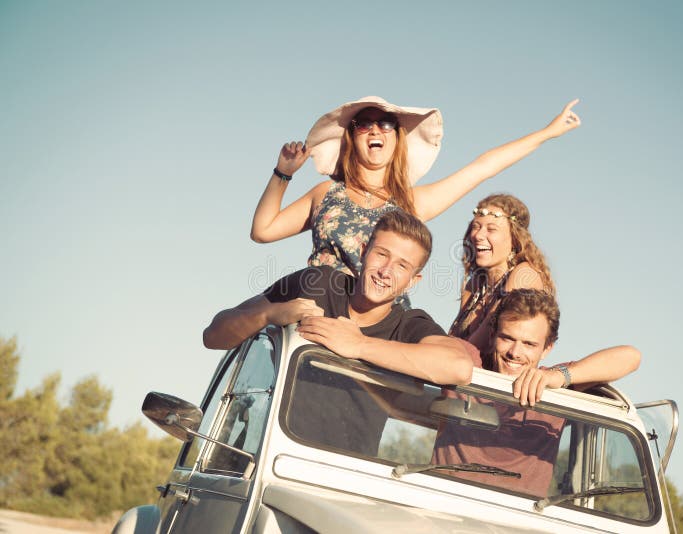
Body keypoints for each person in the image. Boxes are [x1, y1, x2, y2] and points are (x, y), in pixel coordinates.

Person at [250, 96, 581, 279]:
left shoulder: (411, 203)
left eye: (386, 123)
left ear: (397, 138)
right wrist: (283, 173)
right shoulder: (325, 193)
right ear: (352, 137)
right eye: (363, 124)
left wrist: (546, 133)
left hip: (376, 326)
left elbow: (482, 167)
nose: (375, 129)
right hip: (316, 311)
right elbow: (263, 230)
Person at [203, 210, 473, 386]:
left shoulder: (408, 325)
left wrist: (358, 345)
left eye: (402, 266)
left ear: (412, 282)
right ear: (364, 252)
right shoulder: (318, 282)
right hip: (271, 452)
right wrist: (268, 315)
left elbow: (459, 367)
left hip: (346, 469)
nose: (386, 271)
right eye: (381, 254)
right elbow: (213, 335)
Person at [433, 289, 641, 496]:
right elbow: (417, 339)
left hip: (519, 522)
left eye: (529, 344)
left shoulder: (552, 384)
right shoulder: (464, 362)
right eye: (507, 338)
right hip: (445, 506)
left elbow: (631, 357)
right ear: (492, 335)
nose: (515, 352)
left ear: (547, 348)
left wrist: (560, 377)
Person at [449, 194, 554, 360]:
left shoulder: (523, 275)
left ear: (514, 238)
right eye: (476, 227)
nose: (478, 235)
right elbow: (454, 339)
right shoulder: (476, 283)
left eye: (491, 229)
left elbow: (479, 345)